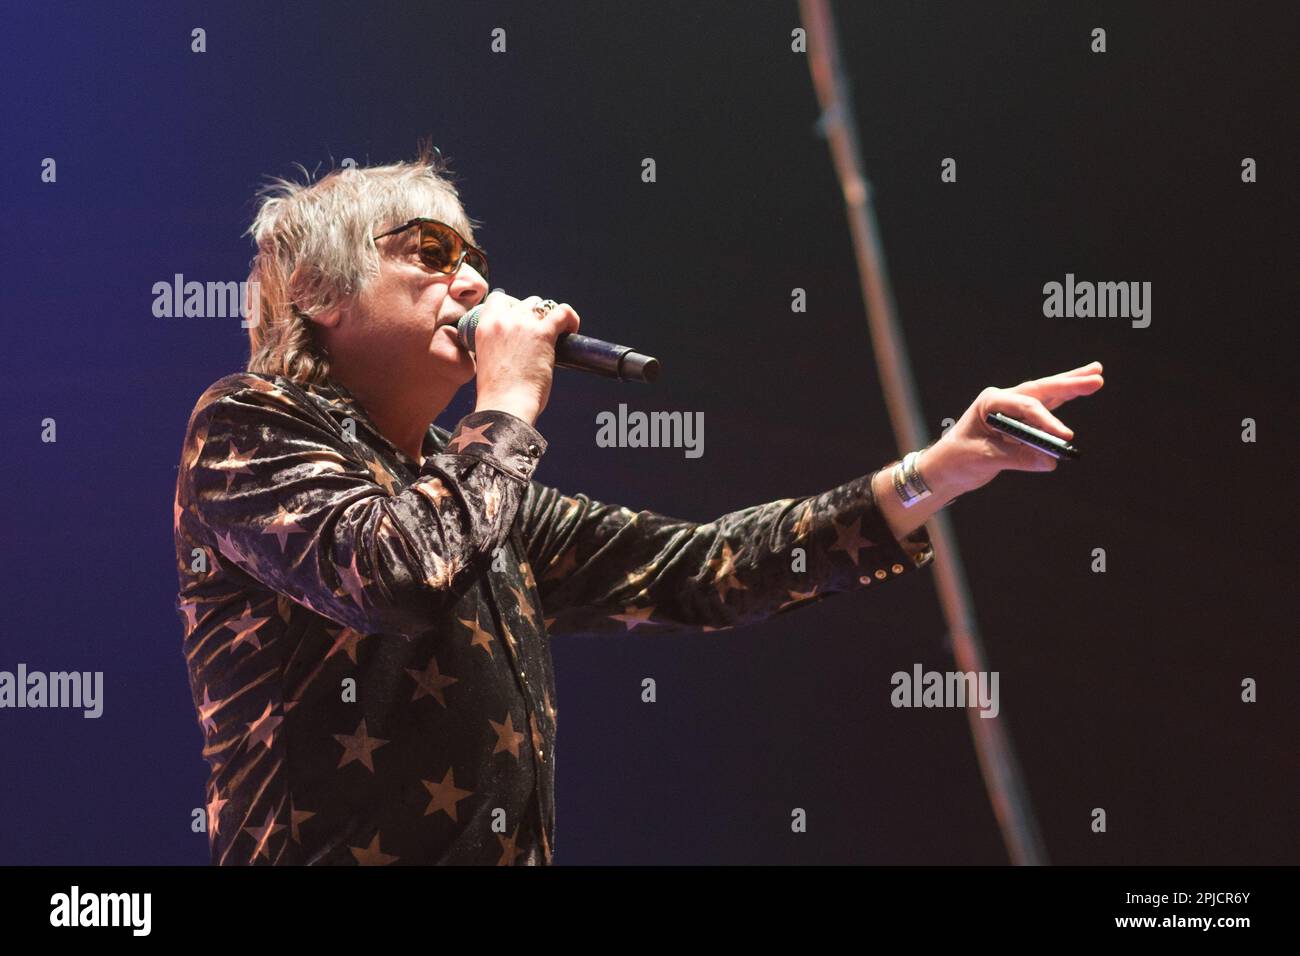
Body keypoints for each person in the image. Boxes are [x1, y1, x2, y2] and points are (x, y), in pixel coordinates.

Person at [172, 145, 1104, 865]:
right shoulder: (249, 424)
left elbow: (701, 570)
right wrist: (505, 407)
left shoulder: (473, 496)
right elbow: (396, 574)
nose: (474, 282)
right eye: (431, 252)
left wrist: (933, 471)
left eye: (475, 256)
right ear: (317, 291)